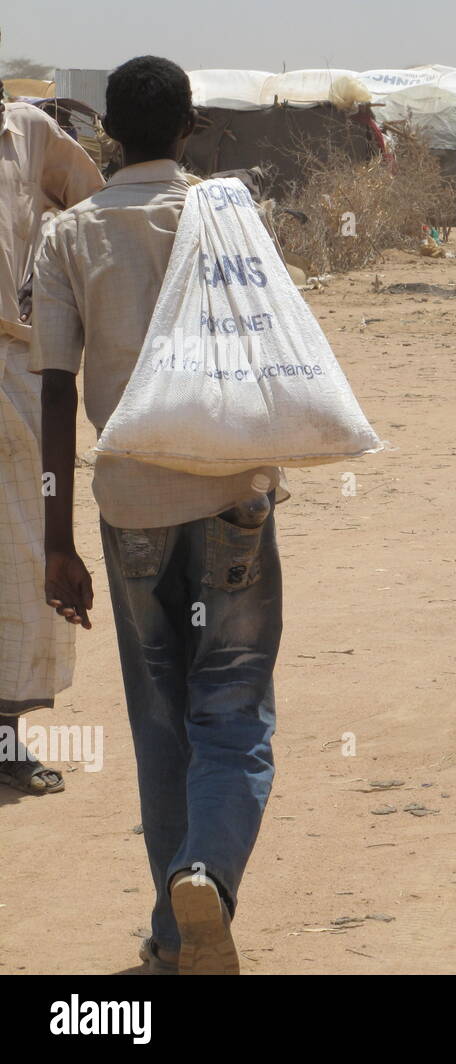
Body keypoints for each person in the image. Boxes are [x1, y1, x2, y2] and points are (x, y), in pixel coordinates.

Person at [33, 55, 289, 974]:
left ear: (107, 134)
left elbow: (57, 397)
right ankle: (206, 882)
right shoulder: (227, 216)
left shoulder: (67, 240)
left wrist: (57, 540)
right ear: (190, 129)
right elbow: (274, 344)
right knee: (235, 709)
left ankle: (175, 933)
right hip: (233, 497)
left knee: (162, 724)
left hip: (130, 505)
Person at [0, 86, 103, 795]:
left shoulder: (28, 133)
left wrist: (52, 292)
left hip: (11, 365)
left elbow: (92, 207)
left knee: (17, 560)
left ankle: (5, 742)